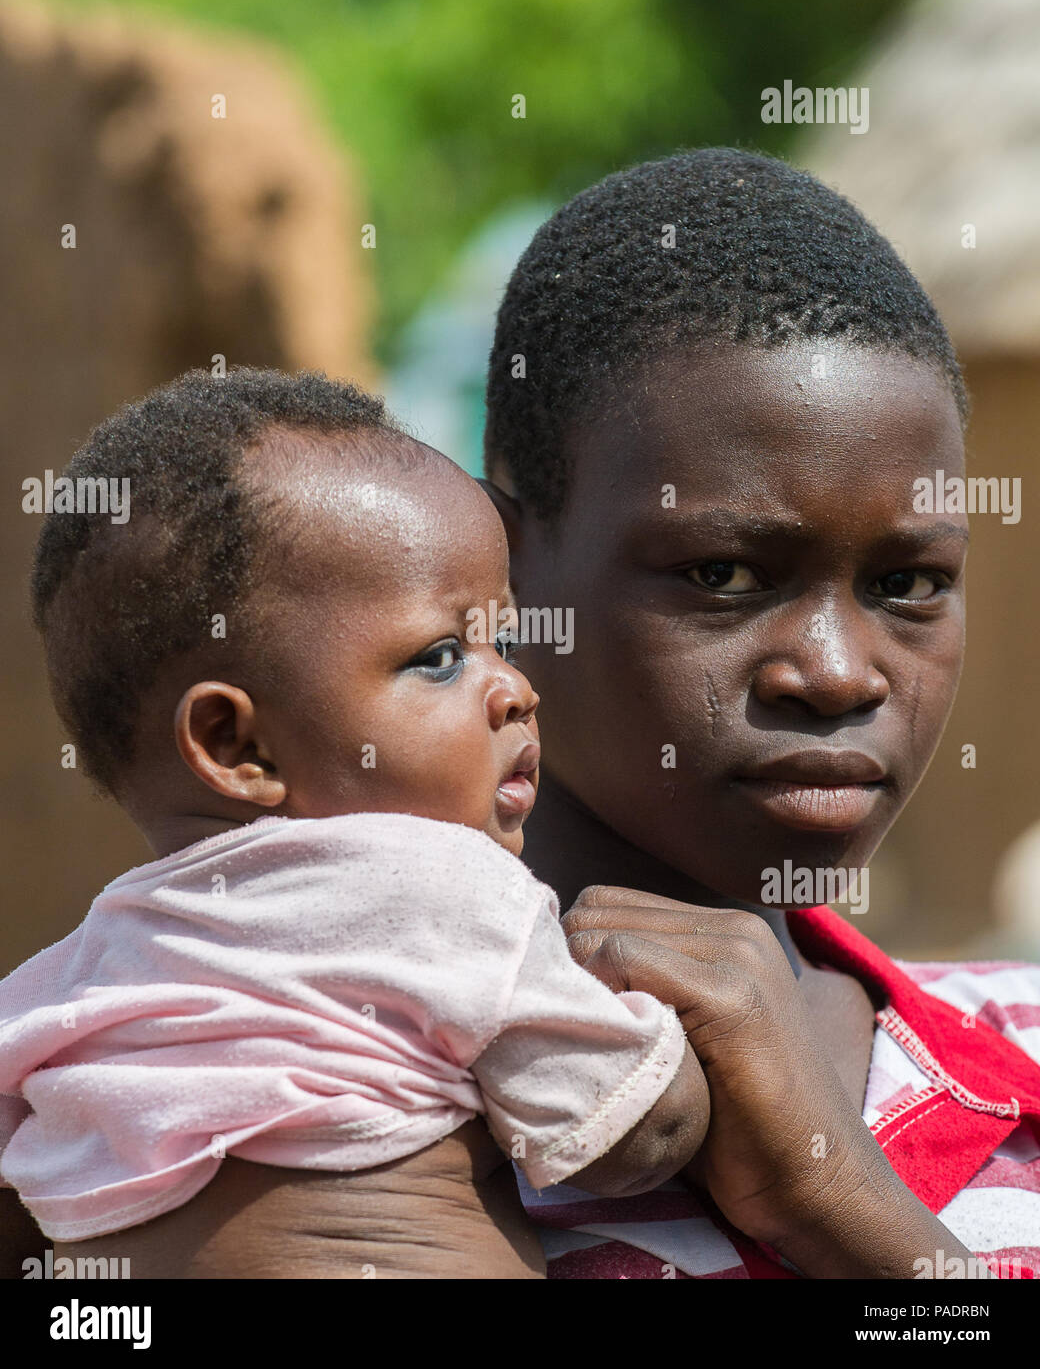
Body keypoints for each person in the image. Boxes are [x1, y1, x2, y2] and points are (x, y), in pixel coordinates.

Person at [0, 368, 713, 1280]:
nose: (517, 690)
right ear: (235, 742)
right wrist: (673, 1031)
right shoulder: (448, 890)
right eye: (444, 657)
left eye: (507, 638)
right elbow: (634, 1132)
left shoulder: (73, 980)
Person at [479, 147, 1040, 1279]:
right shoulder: (308, 1095)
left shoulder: (1015, 1057)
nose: (835, 673)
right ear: (501, 572)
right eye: (724, 574)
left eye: (905, 584)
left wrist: (832, 1197)